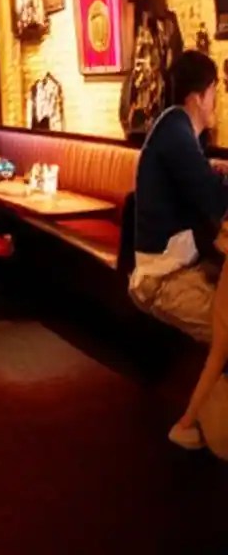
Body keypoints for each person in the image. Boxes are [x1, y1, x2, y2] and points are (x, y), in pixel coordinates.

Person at [127, 51, 228, 448]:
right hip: (163, 281)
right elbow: (217, 203)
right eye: (214, 92)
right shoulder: (175, 133)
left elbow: (204, 189)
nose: (217, 101)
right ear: (198, 97)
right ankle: (197, 424)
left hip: (178, 268)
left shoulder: (175, 130)